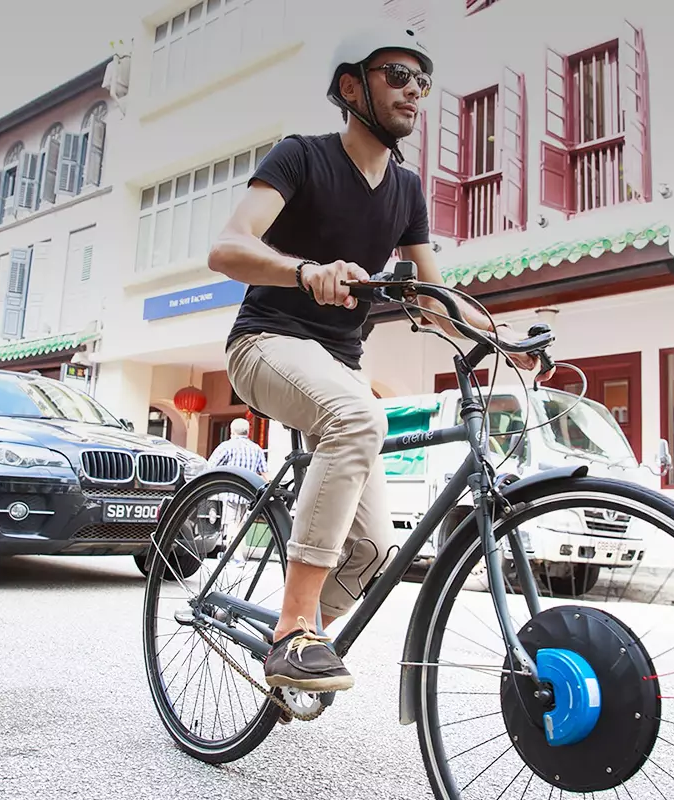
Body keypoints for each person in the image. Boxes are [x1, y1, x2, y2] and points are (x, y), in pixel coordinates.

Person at [207, 22, 538, 694]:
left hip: (338, 366)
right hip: (265, 342)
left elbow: (435, 295)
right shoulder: (302, 156)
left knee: (373, 556)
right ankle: (292, 631)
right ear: (351, 86)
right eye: (397, 75)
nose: (414, 90)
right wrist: (303, 271)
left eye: (423, 79)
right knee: (361, 419)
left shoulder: (407, 191)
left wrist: (503, 339)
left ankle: (298, 648)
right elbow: (227, 248)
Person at [207, 417, 268, 482]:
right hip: (248, 489)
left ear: (232, 431)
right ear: (248, 432)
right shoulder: (257, 449)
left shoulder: (225, 446)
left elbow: (210, 468)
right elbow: (265, 473)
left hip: (228, 488)